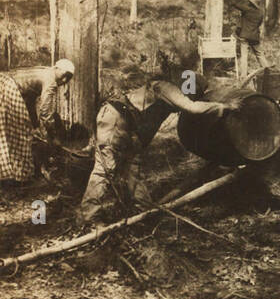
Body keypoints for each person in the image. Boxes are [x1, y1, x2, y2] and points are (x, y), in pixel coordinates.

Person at [79, 71, 231, 222]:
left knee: (133, 169)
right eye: (195, 92)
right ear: (191, 86)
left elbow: (147, 123)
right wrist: (225, 107)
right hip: (116, 119)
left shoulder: (165, 94)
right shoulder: (167, 88)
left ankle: (142, 213)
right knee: (105, 169)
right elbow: (192, 108)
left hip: (125, 123)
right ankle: (89, 217)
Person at [0, 59, 75, 183]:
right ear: (57, 68)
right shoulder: (50, 80)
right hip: (6, 88)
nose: (65, 80)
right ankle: (13, 176)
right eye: (64, 75)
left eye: (69, 78)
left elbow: (29, 98)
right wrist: (52, 134)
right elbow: (45, 112)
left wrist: (34, 122)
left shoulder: (42, 71)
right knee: (19, 133)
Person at [229, 0, 267, 74]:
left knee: (244, 57)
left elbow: (235, 4)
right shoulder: (260, 13)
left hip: (244, 36)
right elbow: (259, 24)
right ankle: (267, 70)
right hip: (255, 37)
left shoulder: (247, 10)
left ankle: (243, 76)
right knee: (260, 54)